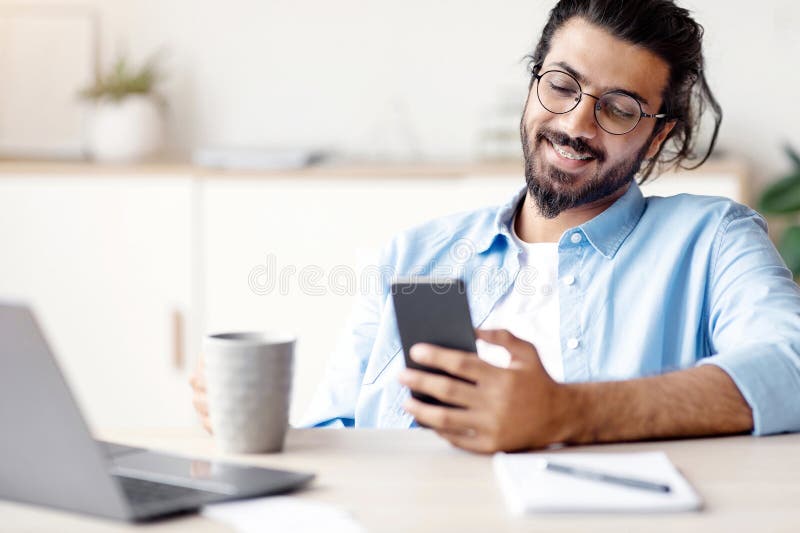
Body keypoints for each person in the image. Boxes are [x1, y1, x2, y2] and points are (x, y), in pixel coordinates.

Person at [192, 0, 800, 453]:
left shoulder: (712, 240)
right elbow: (339, 433)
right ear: (534, 83)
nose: (576, 123)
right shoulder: (418, 254)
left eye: (618, 108)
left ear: (658, 134)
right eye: (562, 86)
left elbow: (791, 365)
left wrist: (569, 413)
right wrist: (269, 437)